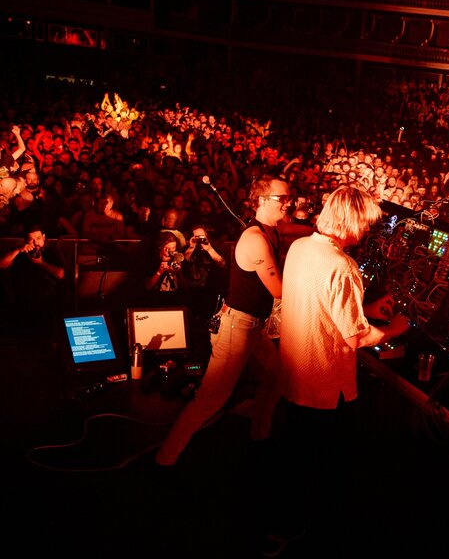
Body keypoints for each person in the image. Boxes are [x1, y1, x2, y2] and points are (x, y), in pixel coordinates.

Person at [273, 184, 410, 553]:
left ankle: (285, 525)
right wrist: (395, 328)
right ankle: (317, 536)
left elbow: (320, 303)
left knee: (294, 459)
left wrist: (364, 309)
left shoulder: (301, 247)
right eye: (364, 223)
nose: (366, 230)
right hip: (325, 387)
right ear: (350, 221)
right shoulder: (342, 266)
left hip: (294, 375)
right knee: (325, 468)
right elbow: (356, 337)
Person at [155, 174, 292, 467]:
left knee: (276, 379)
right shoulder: (255, 239)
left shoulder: (272, 231)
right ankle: (165, 458)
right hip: (237, 327)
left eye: (288, 198)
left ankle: (259, 436)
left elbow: (295, 231)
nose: (287, 204)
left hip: (254, 326)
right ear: (262, 200)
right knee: (210, 399)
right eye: (282, 198)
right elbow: (279, 290)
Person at [0, 224, 66, 334]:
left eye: (38, 238)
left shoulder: (52, 251)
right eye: (31, 240)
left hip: (47, 303)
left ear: (44, 237)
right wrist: (18, 250)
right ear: (26, 240)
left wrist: (41, 263)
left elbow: (60, 274)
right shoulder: (20, 252)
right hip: (22, 303)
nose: (36, 243)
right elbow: (2, 264)